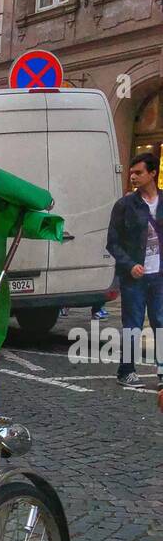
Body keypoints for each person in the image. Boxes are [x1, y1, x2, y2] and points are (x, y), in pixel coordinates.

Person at [106, 151, 163, 388]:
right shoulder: (125, 205)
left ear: (152, 173)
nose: (133, 177)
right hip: (134, 278)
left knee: (161, 322)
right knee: (133, 324)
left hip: (159, 276)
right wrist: (130, 265)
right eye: (131, 172)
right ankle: (126, 371)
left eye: (138, 172)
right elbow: (112, 242)